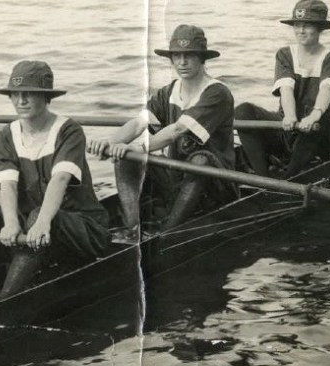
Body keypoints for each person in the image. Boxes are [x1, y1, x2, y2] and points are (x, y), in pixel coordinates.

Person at [0, 61, 110, 306]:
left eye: (28, 94)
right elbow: (7, 186)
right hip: (32, 230)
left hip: (81, 230)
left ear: (46, 97)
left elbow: (60, 179)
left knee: (38, 215)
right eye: (15, 95)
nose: (21, 101)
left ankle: (4, 304)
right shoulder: (5, 137)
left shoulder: (69, 131)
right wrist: (9, 223)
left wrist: (41, 223)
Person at [86, 24, 237, 240]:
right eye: (177, 56)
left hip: (216, 185)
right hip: (176, 178)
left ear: (202, 58)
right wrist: (110, 144)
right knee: (126, 158)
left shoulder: (217, 93)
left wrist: (139, 147)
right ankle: (133, 228)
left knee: (200, 160)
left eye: (189, 56)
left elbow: (178, 129)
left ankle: (168, 233)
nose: (182, 62)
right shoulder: (168, 91)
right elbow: (139, 124)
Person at [234, 0, 330, 178]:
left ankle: (290, 177)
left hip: (321, 130)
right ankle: (262, 179)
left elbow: (326, 90)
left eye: (307, 25)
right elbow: (286, 89)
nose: (301, 31)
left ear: (320, 29)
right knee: (243, 111)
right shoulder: (285, 54)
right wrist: (289, 116)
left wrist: (314, 114)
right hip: (293, 125)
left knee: (320, 121)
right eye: (297, 25)